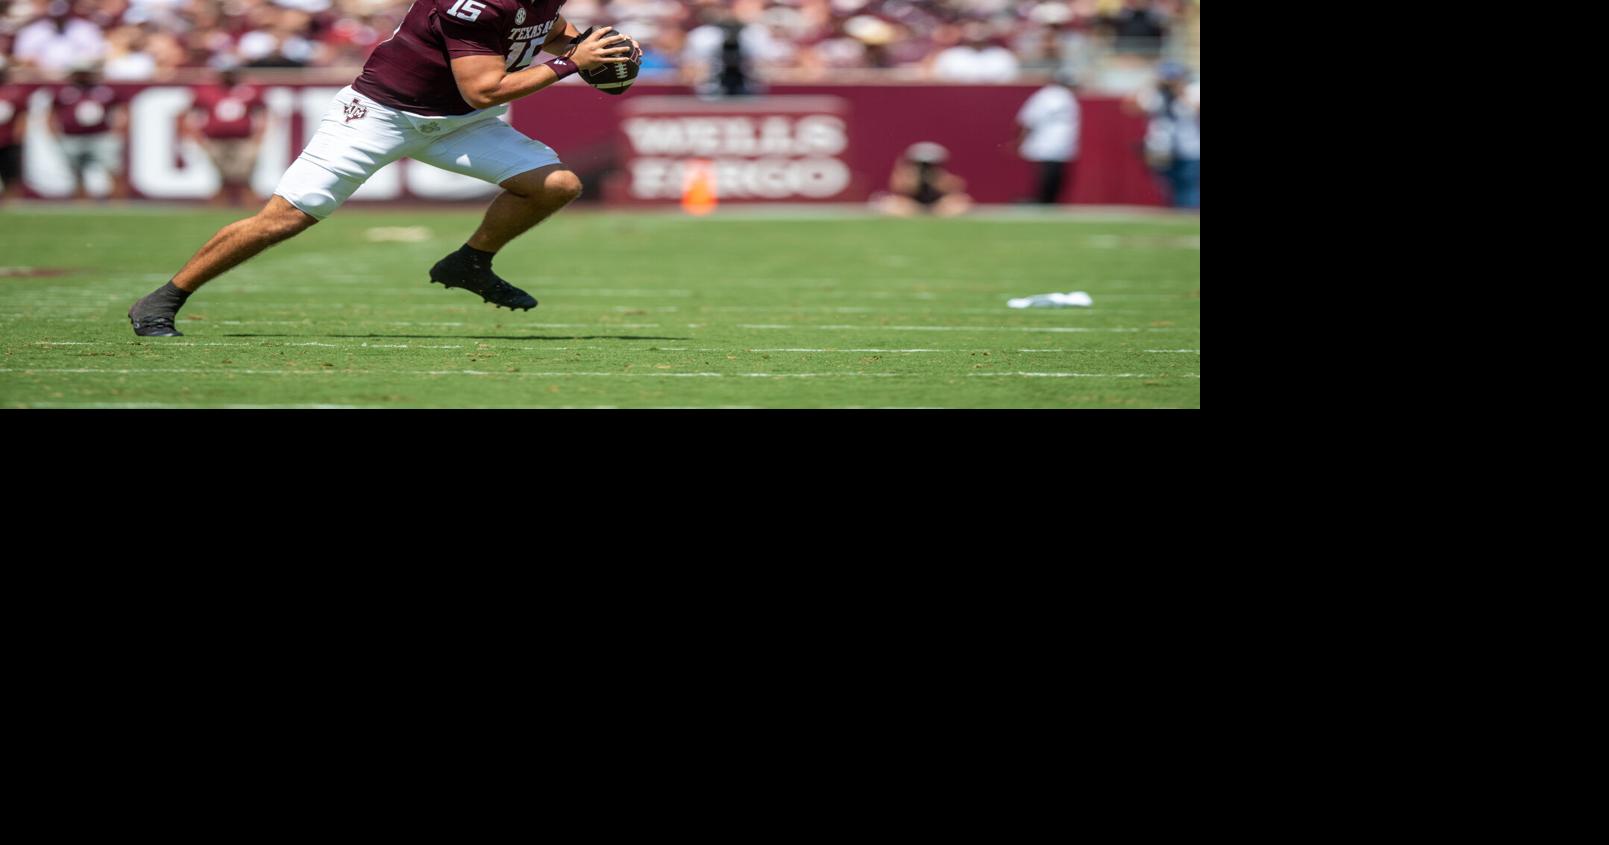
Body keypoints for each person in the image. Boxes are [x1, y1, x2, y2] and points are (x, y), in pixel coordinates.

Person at [127, 0, 638, 338]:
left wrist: (595, 46)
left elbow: (545, 29)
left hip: (458, 122)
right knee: (286, 218)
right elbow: (482, 87)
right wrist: (574, 63)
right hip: (380, 116)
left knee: (556, 184)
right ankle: (161, 301)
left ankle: (469, 263)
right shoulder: (475, 3)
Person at [186, 65, 269, 207]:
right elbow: (191, 115)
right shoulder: (206, 91)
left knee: (244, 175)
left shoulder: (249, 90)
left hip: (243, 140)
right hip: (216, 141)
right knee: (223, 176)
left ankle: (248, 205)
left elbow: (262, 114)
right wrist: (197, 137)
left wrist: (258, 136)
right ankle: (221, 206)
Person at [50, 65, 130, 201]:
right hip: (72, 137)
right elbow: (52, 113)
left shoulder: (105, 91)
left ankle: (118, 202)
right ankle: (81, 202)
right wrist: (54, 132)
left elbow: (123, 109)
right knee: (75, 171)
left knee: (113, 169)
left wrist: (119, 130)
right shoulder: (64, 91)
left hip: (101, 136)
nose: (83, 77)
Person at [1134, 62, 1199, 209]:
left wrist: (1179, 91)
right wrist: (1149, 85)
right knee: (1167, 184)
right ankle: (1175, 213)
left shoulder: (1193, 90)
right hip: (1161, 146)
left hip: (1189, 146)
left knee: (1187, 183)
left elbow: (1195, 108)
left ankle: (1188, 214)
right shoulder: (1155, 93)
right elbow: (1132, 107)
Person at [1016, 69, 1080, 205]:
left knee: (1051, 171)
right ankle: (1045, 199)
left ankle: (1046, 199)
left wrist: (1021, 139)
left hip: (1051, 139)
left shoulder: (1050, 95)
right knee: (1051, 171)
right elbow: (1030, 119)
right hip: (1051, 138)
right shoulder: (1052, 96)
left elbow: (1028, 119)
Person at [878, 142, 972, 218]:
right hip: (913, 205)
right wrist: (912, 183)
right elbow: (897, 190)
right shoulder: (908, 174)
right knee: (892, 205)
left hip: (937, 206)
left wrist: (937, 181)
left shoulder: (942, 175)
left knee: (959, 204)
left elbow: (957, 190)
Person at [0, 58, 28, 203]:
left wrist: (18, 137)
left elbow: (21, 116)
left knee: (11, 175)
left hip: (8, 140)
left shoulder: (14, 92)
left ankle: (11, 202)